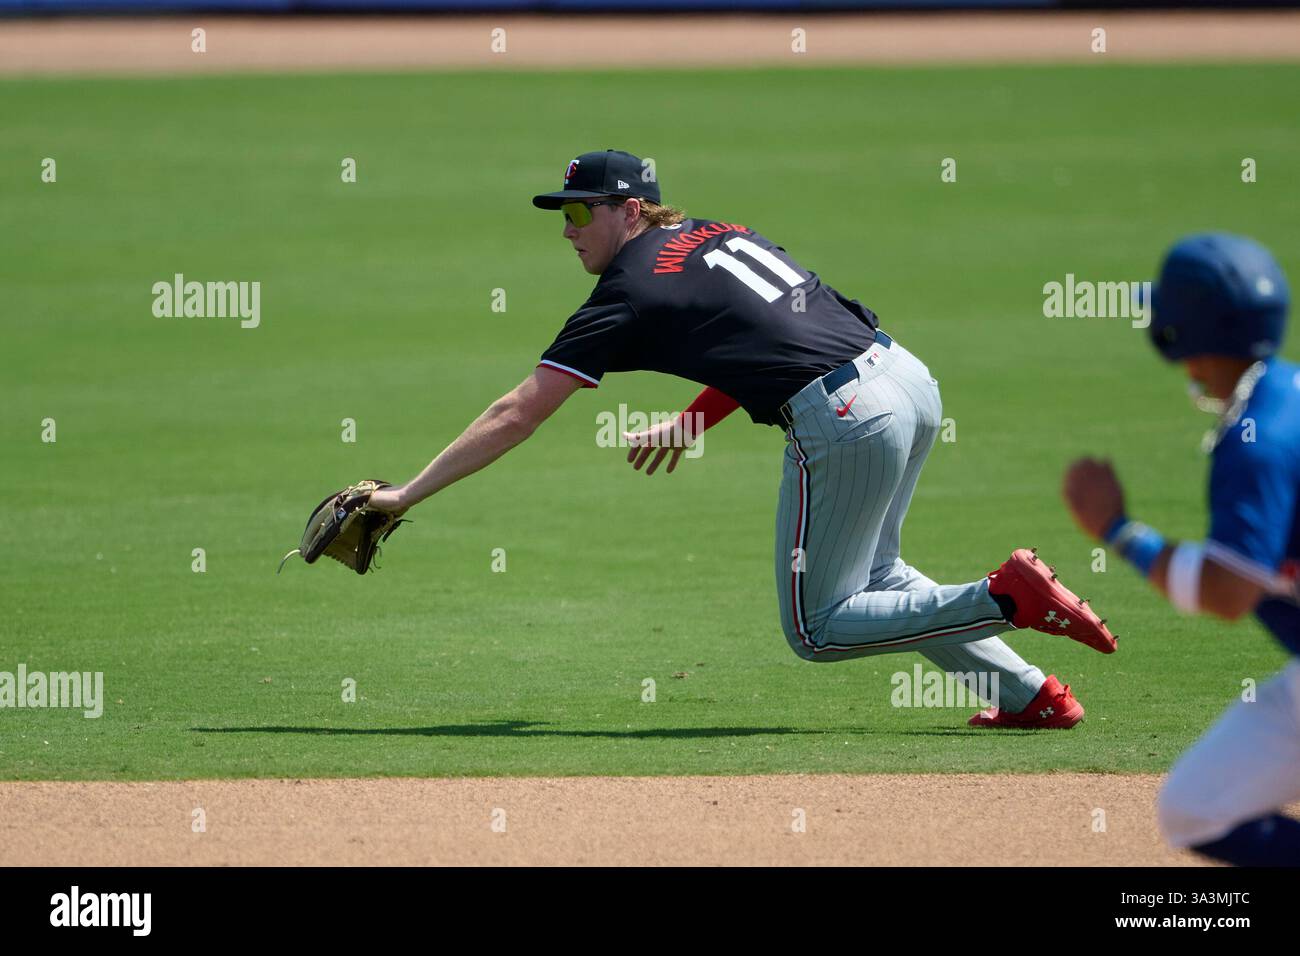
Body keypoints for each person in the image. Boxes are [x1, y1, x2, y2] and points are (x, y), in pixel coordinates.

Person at [369, 148, 1115, 728]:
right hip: (907, 380)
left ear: (628, 211)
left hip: (848, 418)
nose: (566, 231)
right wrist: (692, 421)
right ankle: (1029, 695)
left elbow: (518, 413)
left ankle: (1005, 598)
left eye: (577, 213)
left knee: (818, 628)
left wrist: (405, 495)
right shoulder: (712, 232)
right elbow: (770, 333)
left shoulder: (626, 291)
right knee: (879, 579)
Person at [1064, 232, 1299, 865]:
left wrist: (1117, 529)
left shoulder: (1259, 443)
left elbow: (1226, 593)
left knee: (1199, 809)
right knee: (1196, 808)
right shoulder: (1283, 396)